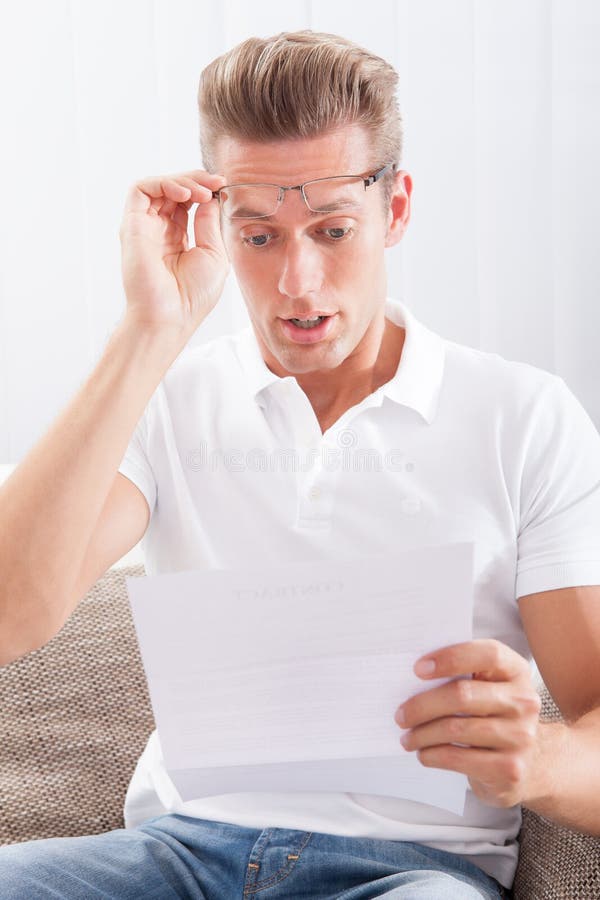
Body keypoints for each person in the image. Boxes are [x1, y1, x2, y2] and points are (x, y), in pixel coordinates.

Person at [1, 28, 599, 900]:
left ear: (394, 212)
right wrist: (146, 334)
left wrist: (538, 759)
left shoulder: (524, 416)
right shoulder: (166, 401)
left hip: (410, 872)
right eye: (259, 237)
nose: (298, 284)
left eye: (331, 229)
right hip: (176, 858)